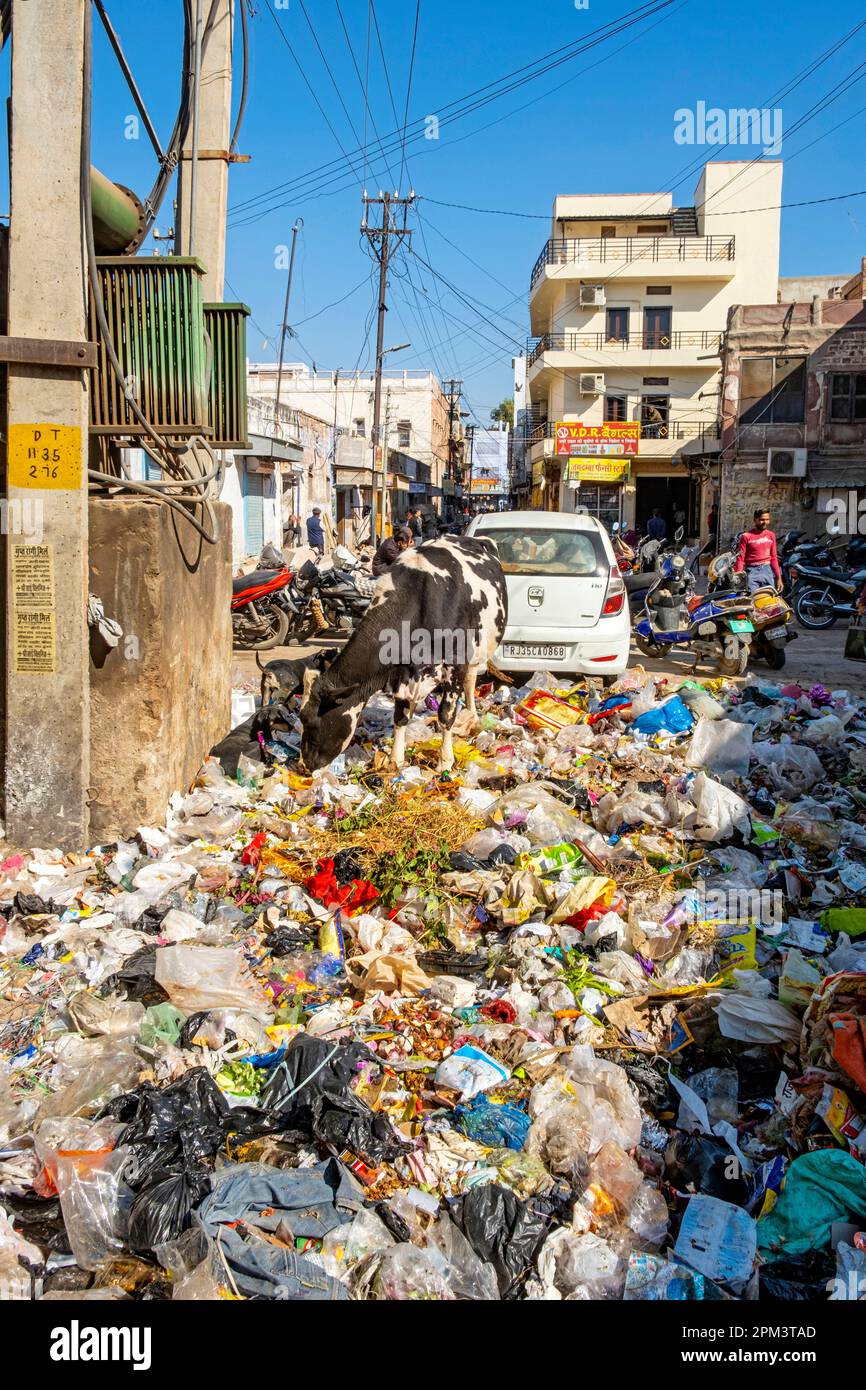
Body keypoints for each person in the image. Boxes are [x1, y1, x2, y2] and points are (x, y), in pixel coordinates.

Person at [734, 508, 783, 593]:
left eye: (767, 519)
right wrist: (739, 578)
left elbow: (774, 558)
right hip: (752, 572)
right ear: (755, 520)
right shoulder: (746, 536)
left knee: (768, 602)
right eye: (762, 520)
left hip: (767, 571)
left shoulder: (771, 535)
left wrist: (779, 578)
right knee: (753, 601)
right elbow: (740, 559)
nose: (765, 522)